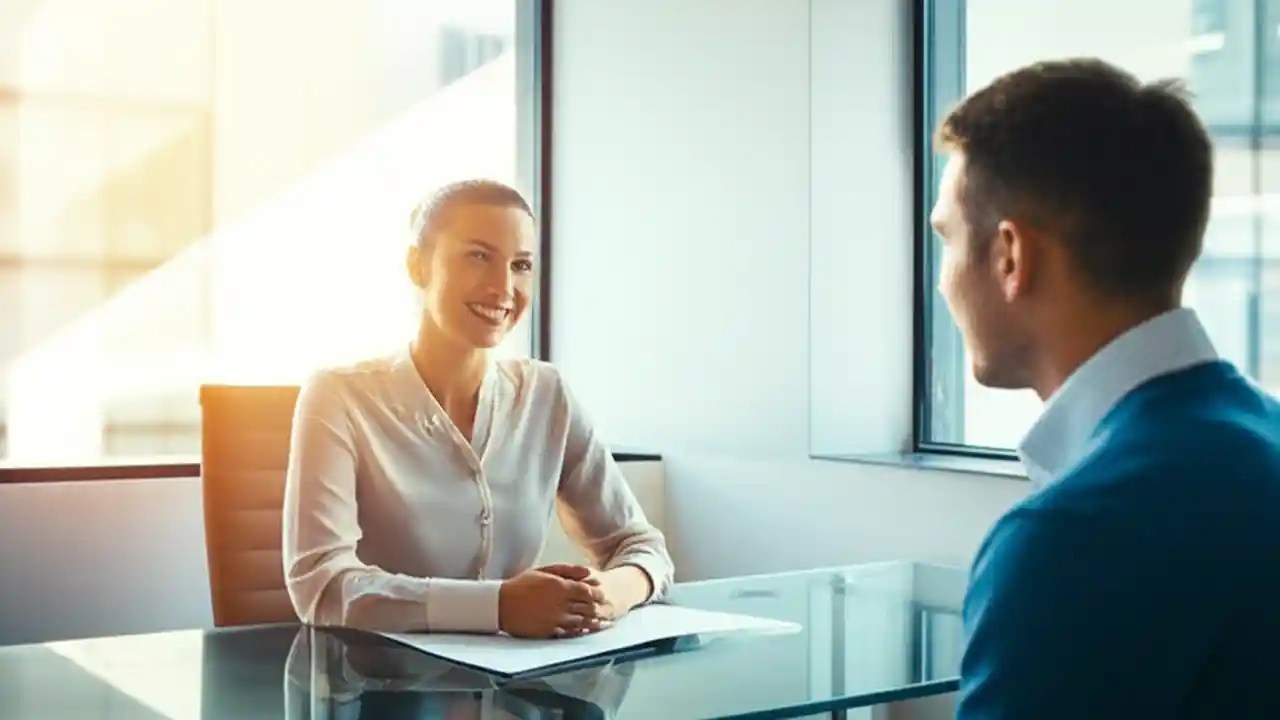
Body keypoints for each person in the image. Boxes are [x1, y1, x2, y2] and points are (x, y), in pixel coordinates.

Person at [930, 58, 1280, 717]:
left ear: (1010, 256)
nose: (943, 280)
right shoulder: (1263, 440)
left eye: (947, 239)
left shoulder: (1072, 537)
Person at [282, 179, 672, 639]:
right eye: (479, 256)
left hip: (516, 678)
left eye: (521, 265)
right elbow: (323, 586)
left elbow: (642, 547)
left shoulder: (547, 395)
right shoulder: (338, 397)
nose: (503, 287)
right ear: (418, 265)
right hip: (374, 675)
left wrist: (611, 594)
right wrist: (498, 607)